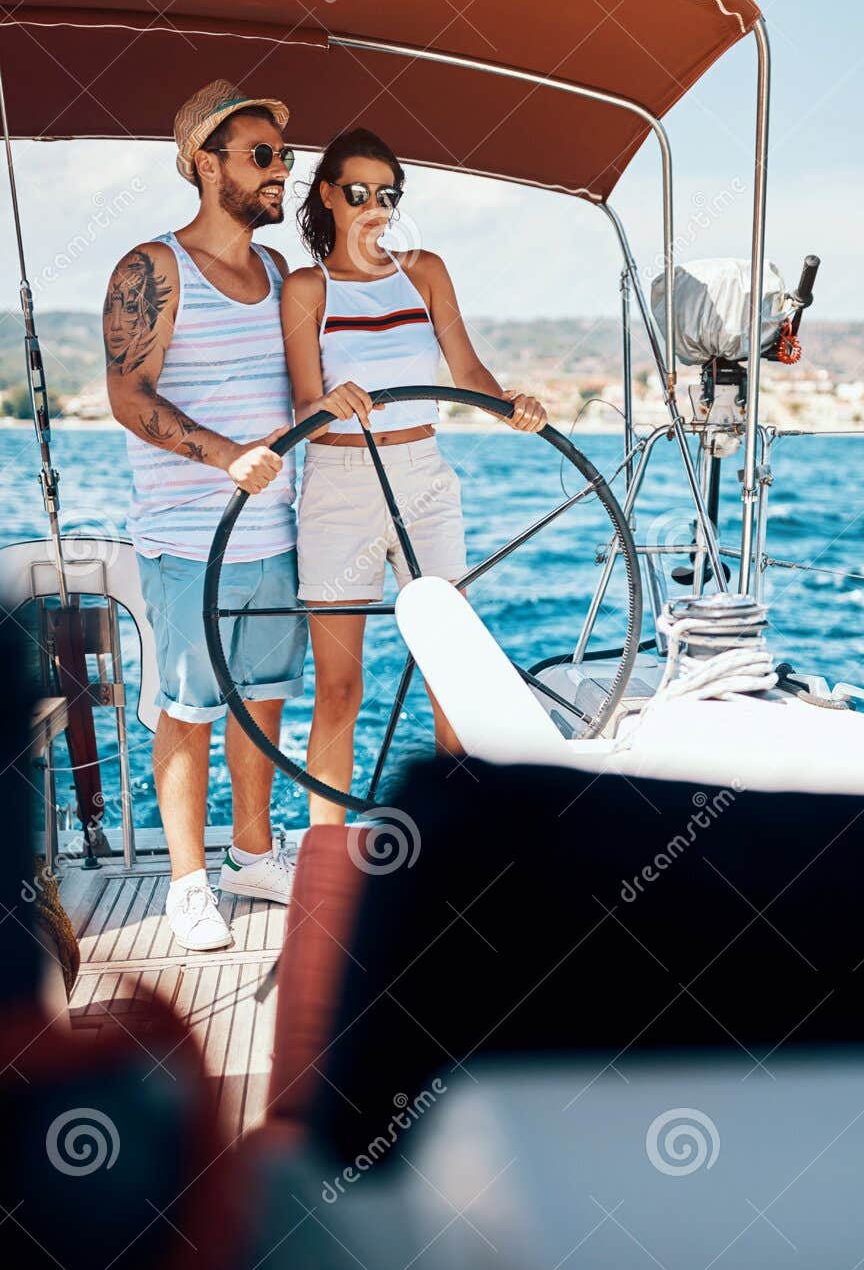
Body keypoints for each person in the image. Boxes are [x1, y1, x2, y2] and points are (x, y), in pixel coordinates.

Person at [103, 80, 370, 949]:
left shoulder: (284, 274)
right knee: (189, 708)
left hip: (277, 530)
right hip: (188, 539)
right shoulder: (153, 269)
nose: (280, 172)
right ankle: (188, 884)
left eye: (284, 158)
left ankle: (251, 854)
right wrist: (226, 457)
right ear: (203, 164)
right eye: (261, 157)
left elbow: (297, 392)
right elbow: (125, 393)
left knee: (263, 701)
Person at [281, 127, 547, 820]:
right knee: (339, 689)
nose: (374, 204)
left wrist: (507, 403)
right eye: (358, 191)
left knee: (450, 674)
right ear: (329, 197)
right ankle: (326, 850)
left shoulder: (424, 270)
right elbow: (305, 401)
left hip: (422, 477)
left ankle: (455, 838)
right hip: (338, 483)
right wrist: (327, 403)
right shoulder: (306, 288)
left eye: (386, 194)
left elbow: (465, 370)